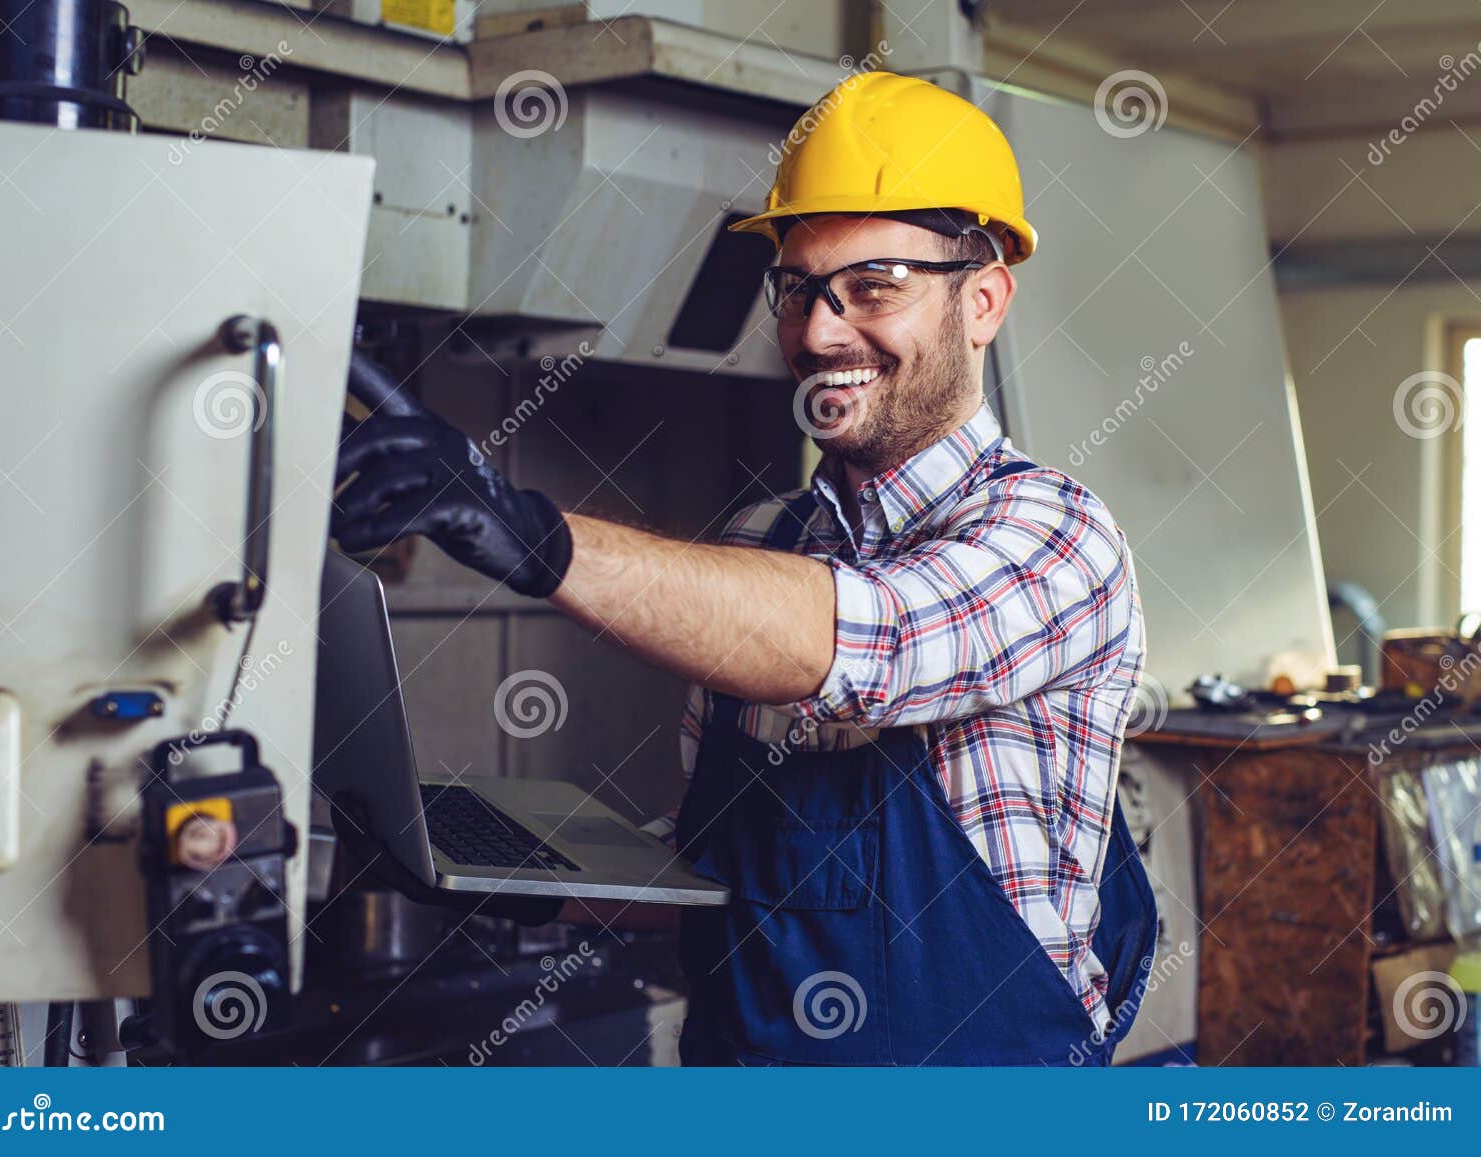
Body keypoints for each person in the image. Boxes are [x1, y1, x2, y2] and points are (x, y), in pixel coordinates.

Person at [331, 71, 1157, 1066]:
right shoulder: (764, 539)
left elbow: (871, 642)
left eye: (873, 288)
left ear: (982, 300)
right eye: (798, 289)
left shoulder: (1053, 533)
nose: (817, 331)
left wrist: (525, 530)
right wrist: (510, 876)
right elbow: (724, 851)